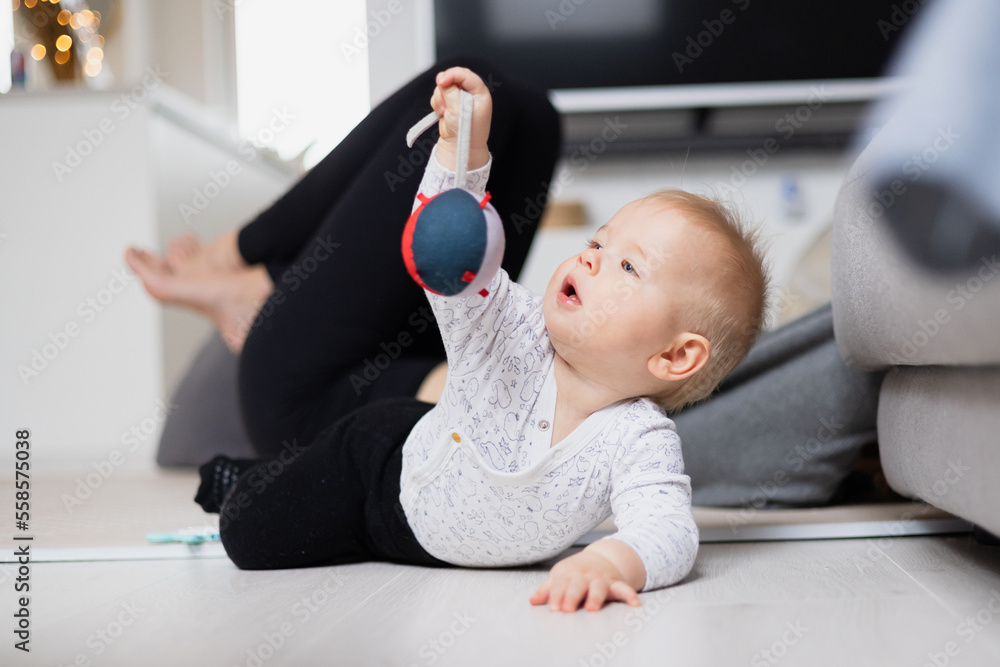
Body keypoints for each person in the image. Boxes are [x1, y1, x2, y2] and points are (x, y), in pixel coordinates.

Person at [127, 61, 770, 613]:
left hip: (420, 503)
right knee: (249, 534)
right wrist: (461, 154)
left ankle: (268, 473)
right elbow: (448, 254)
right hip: (379, 468)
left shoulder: (640, 440)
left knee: (286, 510)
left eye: (628, 267)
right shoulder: (512, 329)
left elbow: (668, 531)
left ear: (676, 356)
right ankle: (242, 481)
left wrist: (612, 562)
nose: (592, 259)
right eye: (598, 243)